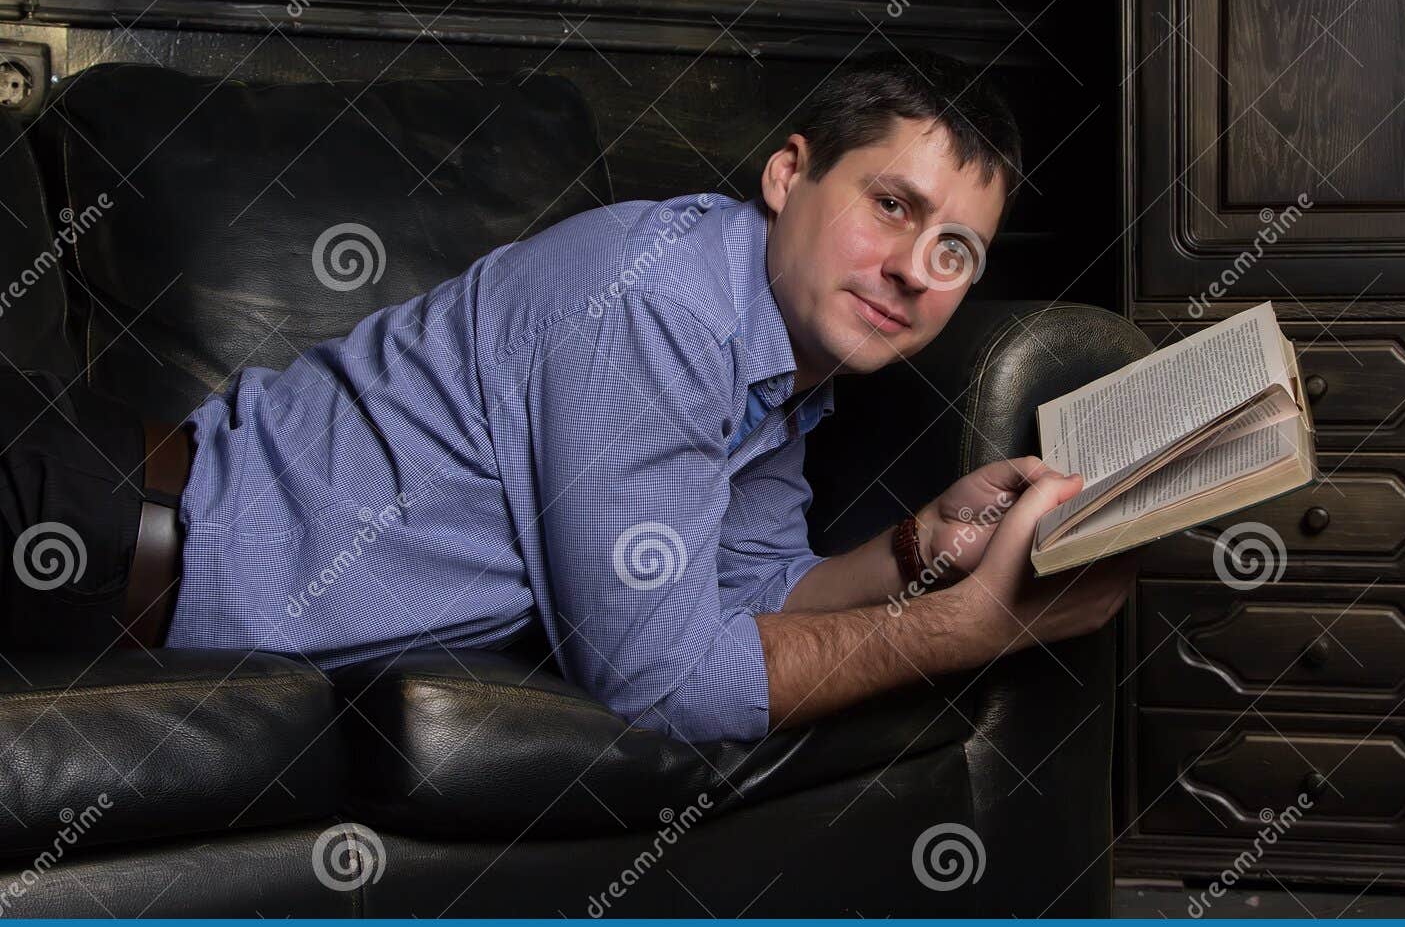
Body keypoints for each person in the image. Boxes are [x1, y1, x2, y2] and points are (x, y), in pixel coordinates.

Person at [0, 47, 1136, 744]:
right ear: (788, 175)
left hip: (113, 532)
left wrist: (911, 552)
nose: (914, 268)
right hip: (81, 522)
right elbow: (664, 680)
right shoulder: (660, 309)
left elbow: (751, 588)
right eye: (891, 204)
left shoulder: (781, 364)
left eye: (956, 252)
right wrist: (961, 626)